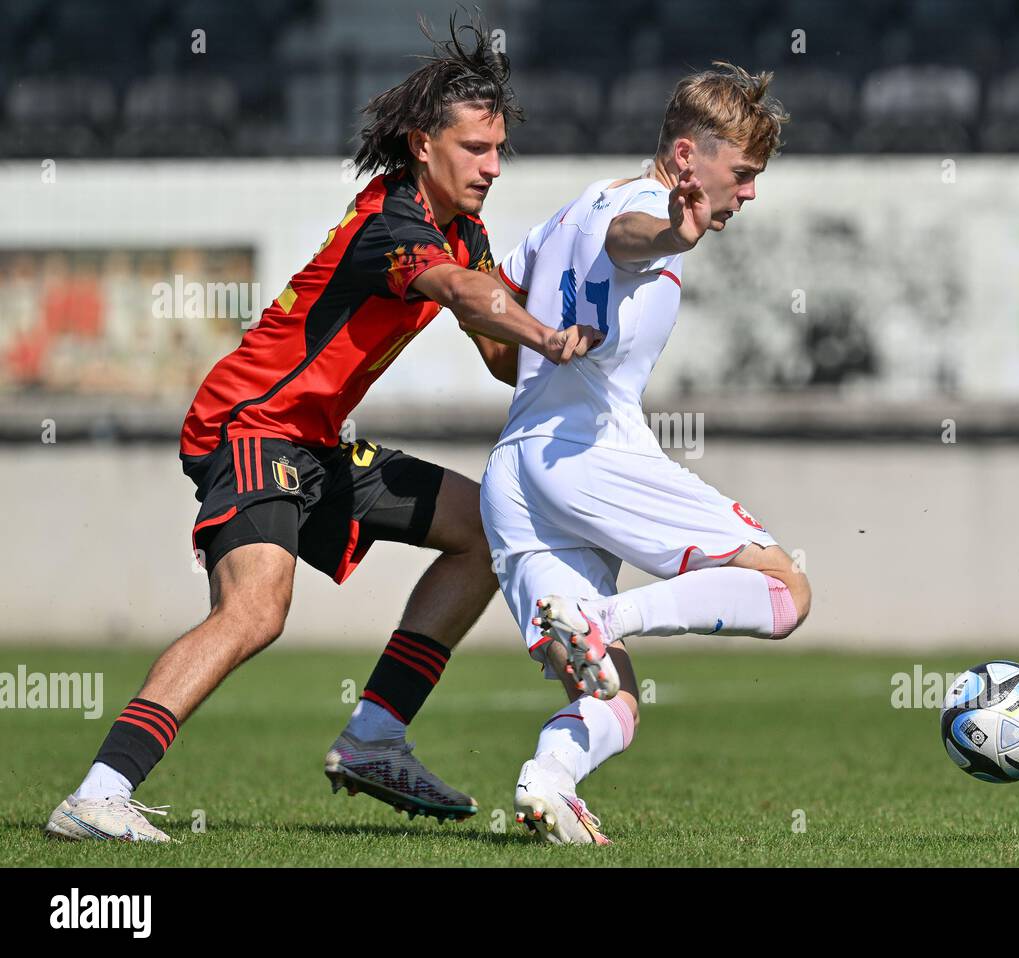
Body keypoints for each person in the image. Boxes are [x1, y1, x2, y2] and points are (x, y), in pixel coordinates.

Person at [45, 19, 600, 843]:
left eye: (498, 150)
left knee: (488, 528)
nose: (491, 166)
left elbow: (493, 351)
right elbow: (468, 298)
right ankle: (97, 792)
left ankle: (375, 733)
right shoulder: (394, 223)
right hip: (250, 427)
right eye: (476, 147)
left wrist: (586, 377)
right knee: (254, 613)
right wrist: (548, 334)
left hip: (314, 443)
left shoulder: (463, 231)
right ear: (422, 144)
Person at [470, 63, 810, 844]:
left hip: (517, 469)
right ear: (688, 157)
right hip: (589, 452)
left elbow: (491, 301)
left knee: (612, 697)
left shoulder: (574, 208)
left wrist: (524, 359)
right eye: (745, 173)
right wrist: (671, 233)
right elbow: (633, 241)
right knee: (787, 592)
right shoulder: (646, 213)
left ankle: (547, 782)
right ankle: (598, 617)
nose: (750, 192)